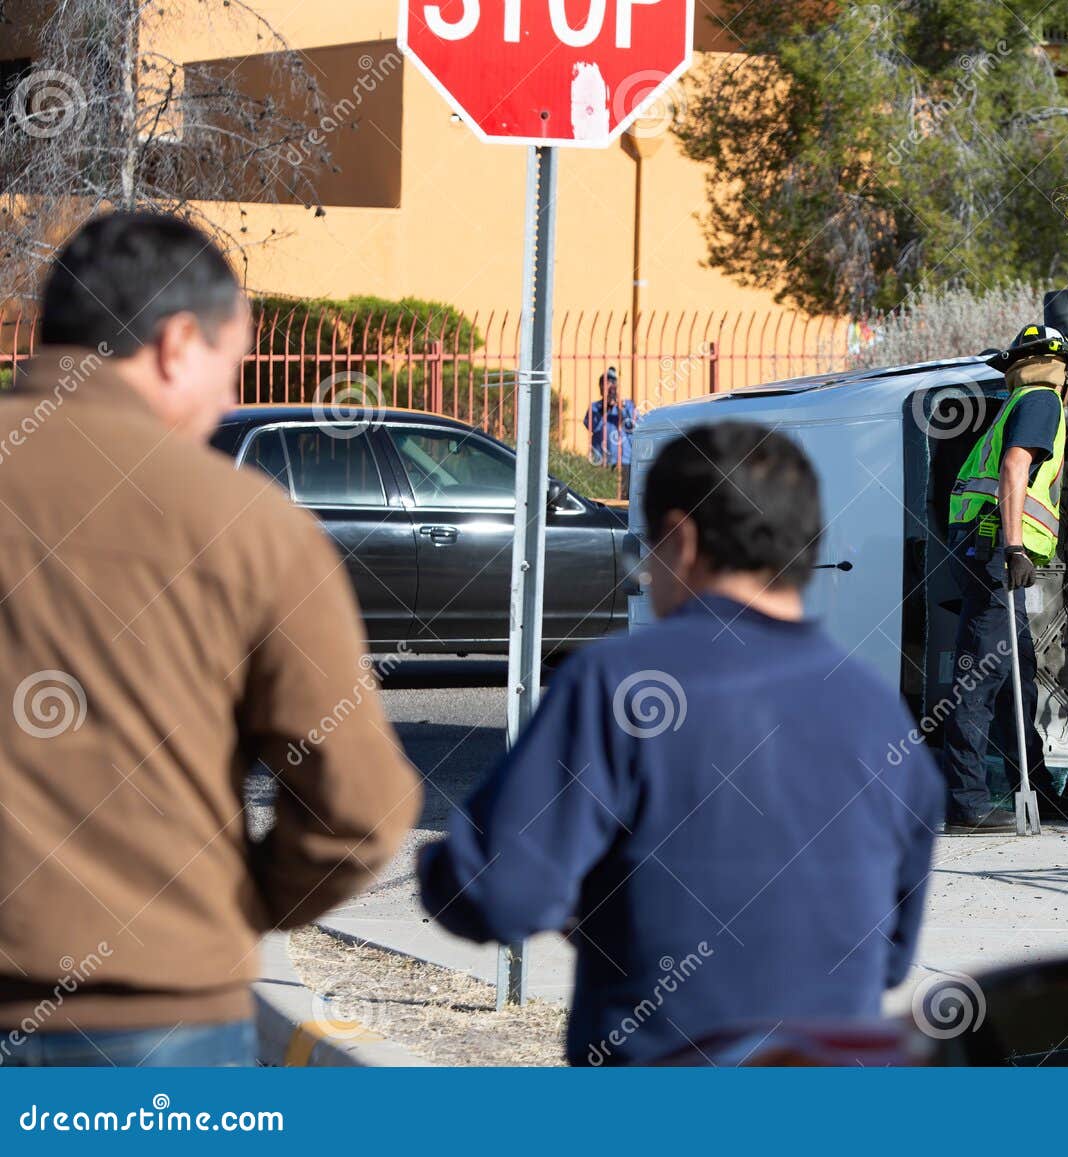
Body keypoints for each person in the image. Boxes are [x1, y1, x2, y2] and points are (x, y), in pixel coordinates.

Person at [0, 212, 420, 1067]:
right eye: (232, 368)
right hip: (157, 1023)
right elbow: (360, 808)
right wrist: (223, 906)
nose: (232, 401)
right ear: (177, 341)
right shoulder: (247, 525)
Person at [419, 421, 943, 1066]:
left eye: (646, 551)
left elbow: (497, 893)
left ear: (682, 538)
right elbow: (887, 957)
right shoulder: (881, 713)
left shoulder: (616, 683)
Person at [942, 325, 1068, 831]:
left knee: (1016, 680)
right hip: (994, 551)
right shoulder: (1043, 401)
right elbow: (1014, 466)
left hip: (981, 548)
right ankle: (966, 803)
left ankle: (1036, 788)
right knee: (980, 681)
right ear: (1064, 371)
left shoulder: (1019, 402)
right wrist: (1014, 546)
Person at [584, 366, 636, 495]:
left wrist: (621, 409)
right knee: (601, 495)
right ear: (600, 388)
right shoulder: (595, 407)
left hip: (624, 460)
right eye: (605, 385)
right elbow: (591, 426)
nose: (608, 388)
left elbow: (634, 426)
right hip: (602, 460)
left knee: (625, 498)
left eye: (611, 384)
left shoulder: (627, 405)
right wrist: (605, 409)